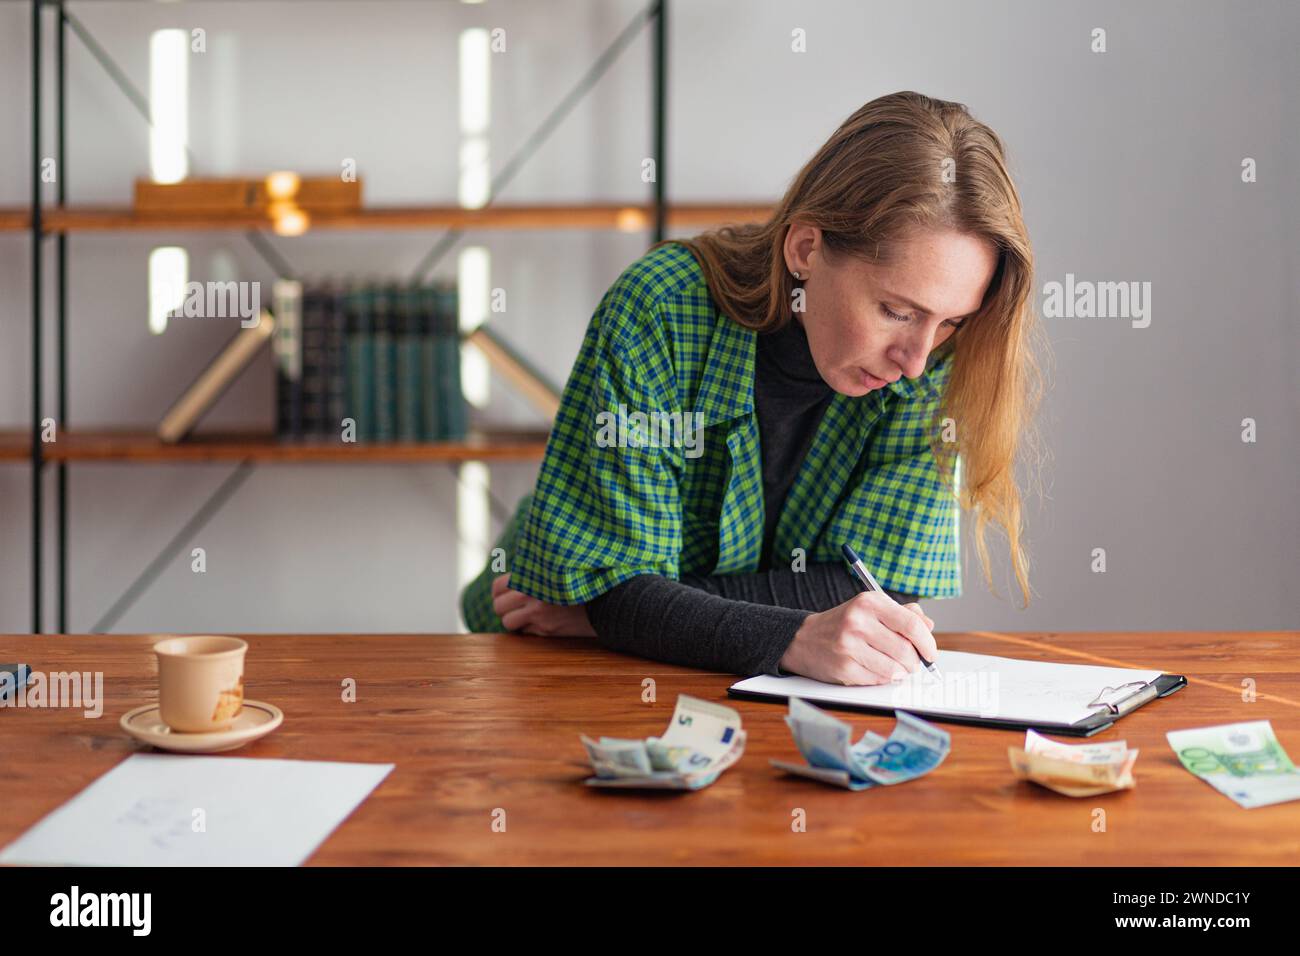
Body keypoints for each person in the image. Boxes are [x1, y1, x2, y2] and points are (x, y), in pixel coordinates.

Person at [461, 90, 1042, 685]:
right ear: (805, 249)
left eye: (951, 322)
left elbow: (878, 585)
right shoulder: (659, 309)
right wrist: (780, 630)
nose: (917, 360)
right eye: (895, 310)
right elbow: (620, 593)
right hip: (535, 641)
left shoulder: (937, 361)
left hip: (649, 651)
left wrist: (622, 610)